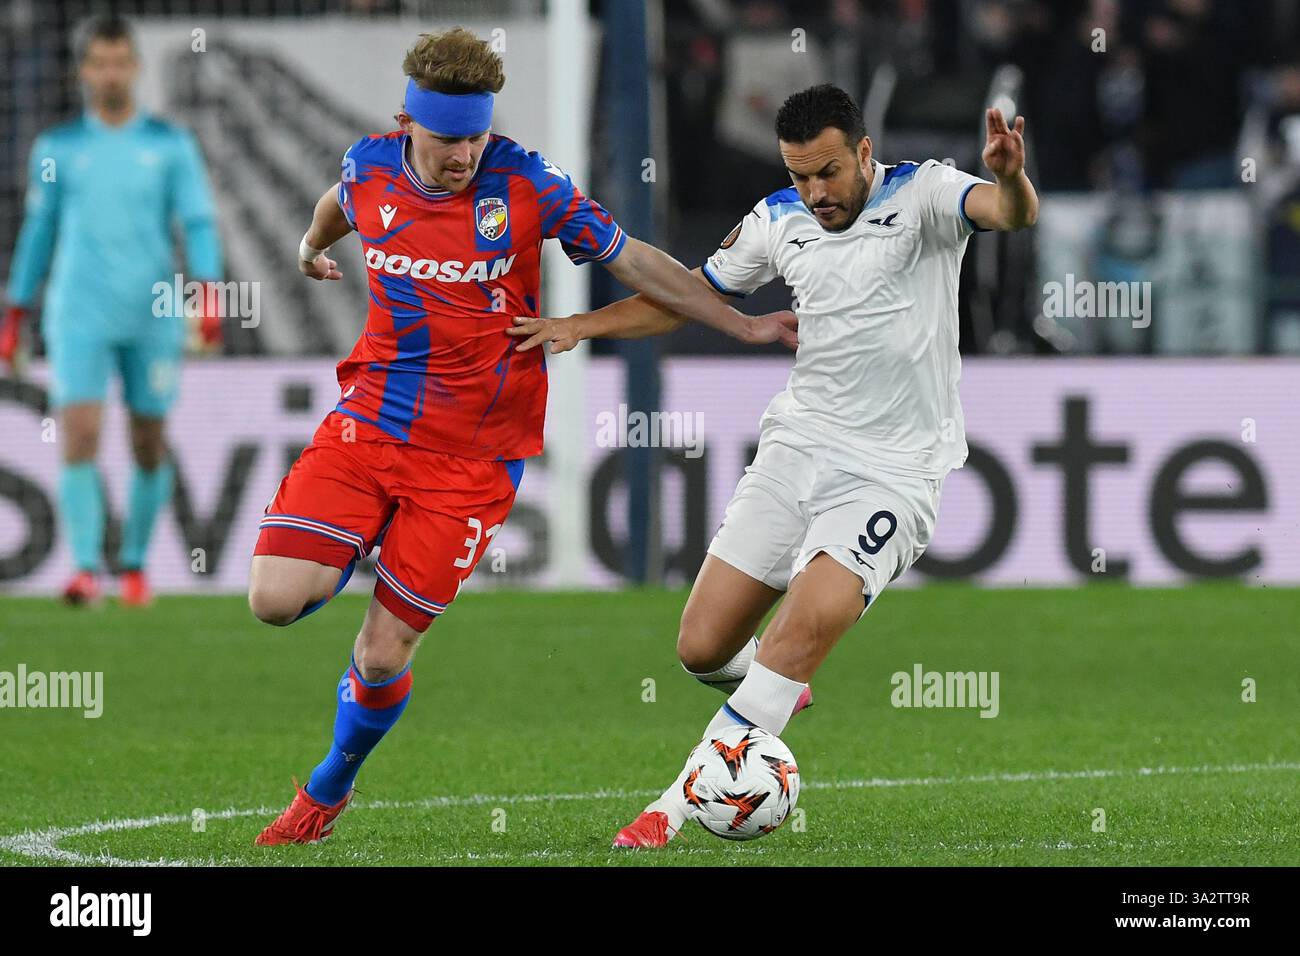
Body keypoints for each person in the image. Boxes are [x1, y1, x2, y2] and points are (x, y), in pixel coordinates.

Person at [248, 27, 797, 847]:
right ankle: (358, 543)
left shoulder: (527, 183)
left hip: (472, 459)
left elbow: (635, 261)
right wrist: (308, 247)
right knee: (274, 600)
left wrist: (738, 325)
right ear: (407, 124)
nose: (463, 155)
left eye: (475, 135)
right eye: (445, 140)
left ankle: (329, 788)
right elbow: (338, 202)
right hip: (369, 427)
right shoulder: (369, 165)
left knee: (383, 654)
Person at [510, 83, 1039, 848]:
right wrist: (580, 325)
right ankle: (774, 692)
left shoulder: (925, 193)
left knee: (808, 620)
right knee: (700, 647)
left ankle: (672, 806)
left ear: (863, 152)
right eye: (800, 176)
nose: (816, 192)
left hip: (893, 470)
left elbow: (1010, 213)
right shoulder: (777, 219)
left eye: (827, 171)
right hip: (799, 448)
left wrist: (1011, 176)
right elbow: (688, 298)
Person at [1, 14, 223, 607]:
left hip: (152, 313)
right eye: (99, 63)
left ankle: (134, 567)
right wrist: (14, 311)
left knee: (148, 439)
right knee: (80, 430)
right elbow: (38, 232)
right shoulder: (57, 149)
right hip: (78, 311)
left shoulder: (169, 144)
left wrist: (209, 294)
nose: (110, 73)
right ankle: (82, 569)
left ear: (135, 66)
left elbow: (197, 222)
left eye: (120, 61)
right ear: (83, 71)